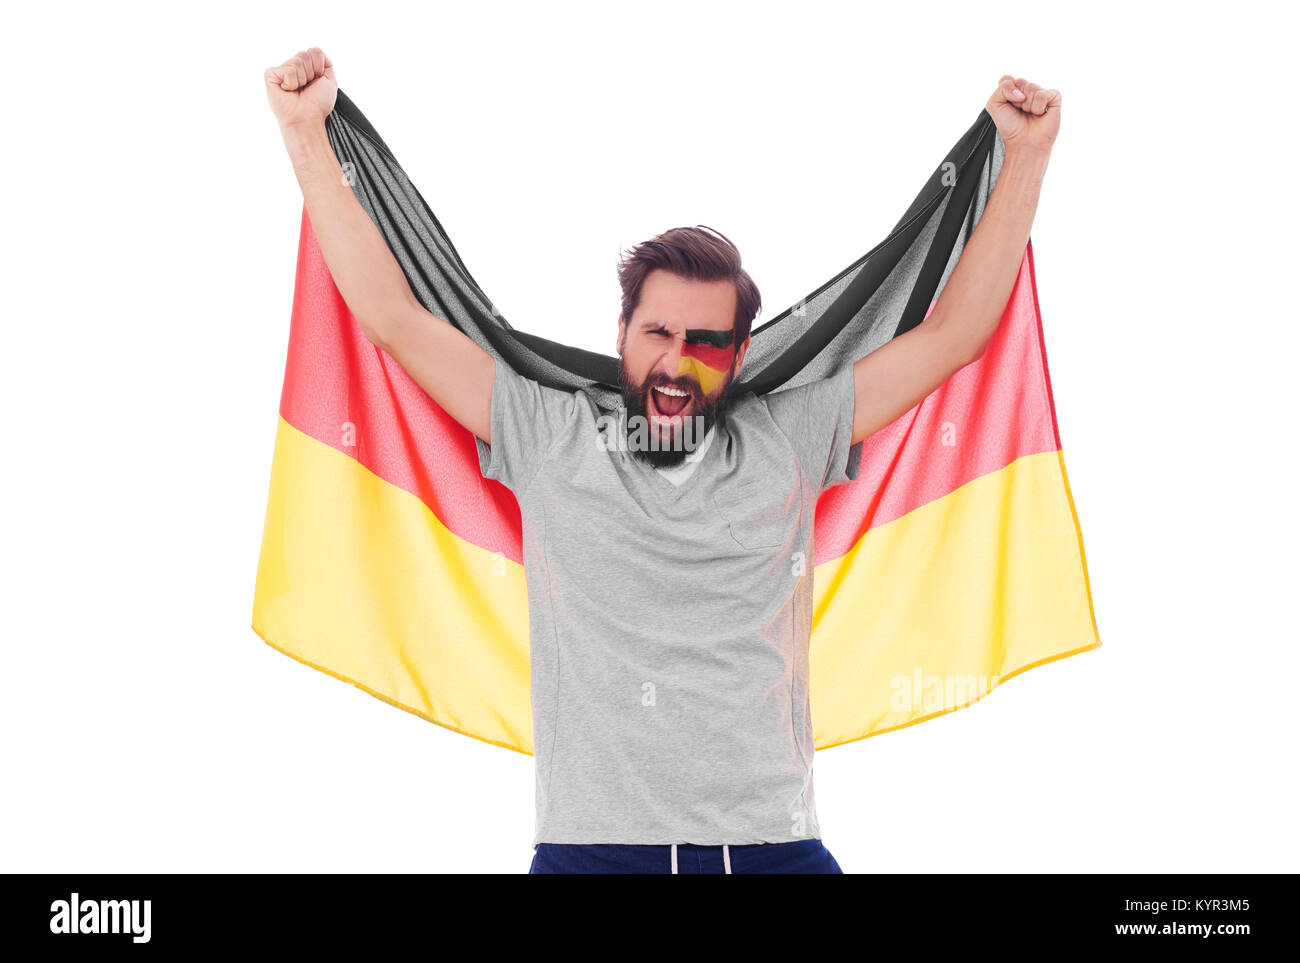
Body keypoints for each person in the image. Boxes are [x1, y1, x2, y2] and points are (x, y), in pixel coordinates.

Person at [264, 47, 1060, 874]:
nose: (679, 362)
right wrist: (304, 135)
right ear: (622, 335)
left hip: (772, 851)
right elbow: (391, 316)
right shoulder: (547, 431)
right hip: (590, 854)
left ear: (740, 352)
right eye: (659, 334)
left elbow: (954, 335)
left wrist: (1026, 153)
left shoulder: (792, 435)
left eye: (708, 342)